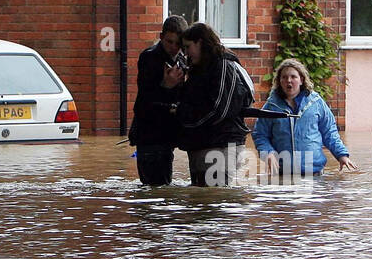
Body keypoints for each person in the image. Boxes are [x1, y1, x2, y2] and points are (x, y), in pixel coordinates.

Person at [162, 22, 254, 187]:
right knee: (202, 202)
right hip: (201, 144)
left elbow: (218, 109)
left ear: (201, 42)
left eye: (188, 46)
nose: (185, 53)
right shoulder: (199, 69)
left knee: (214, 202)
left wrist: (183, 116)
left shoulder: (224, 65)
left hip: (222, 144)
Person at [252, 58, 356, 178]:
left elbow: (330, 133)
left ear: (301, 80)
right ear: (279, 81)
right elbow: (260, 134)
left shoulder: (316, 103)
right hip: (282, 176)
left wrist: (342, 155)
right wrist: (268, 153)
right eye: (284, 77)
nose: (288, 81)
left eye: (293, 77)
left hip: (314, 174)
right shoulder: (271, 106)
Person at [128, 16, 188, 185]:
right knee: (154, 185)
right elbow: (145, 99)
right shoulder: (149, 58)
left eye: (178, 44)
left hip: (166, 133)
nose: (174, 48)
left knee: (162, 184)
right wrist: (166, 86)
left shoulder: (182, 59)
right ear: (161, 37)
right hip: (149, 133)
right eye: (170, 42)